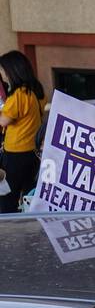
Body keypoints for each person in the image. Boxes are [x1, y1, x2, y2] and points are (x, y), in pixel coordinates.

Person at [0, 50, 43, 213]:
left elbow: (3, 121)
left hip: (15, 153)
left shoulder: (18, 95)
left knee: (7, 196)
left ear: (12, 71)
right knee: (30, 194)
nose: (2, 74)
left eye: (3, 70)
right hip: (33, 151)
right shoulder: (36, 91)